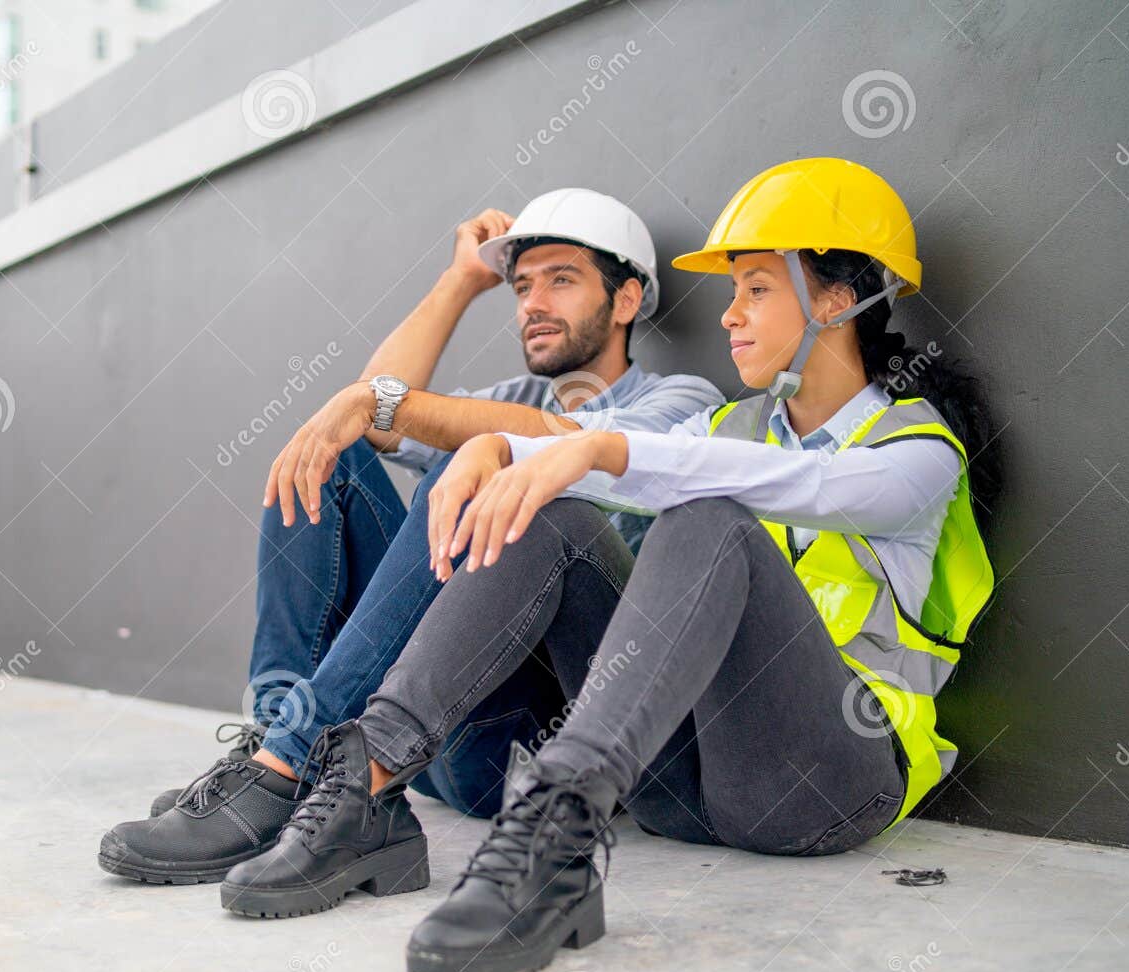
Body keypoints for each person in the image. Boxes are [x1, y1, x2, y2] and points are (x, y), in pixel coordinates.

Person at [218, 157, 997, 972]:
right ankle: (366, 782)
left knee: (709, 513)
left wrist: (589, 445)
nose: (729, 314)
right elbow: (598, 468)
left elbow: (802, 485)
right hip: (680, 783)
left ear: (838, 299)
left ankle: (557, 829)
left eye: (759, 289)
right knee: (546, 508)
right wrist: (502, 451)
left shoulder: (917, 452)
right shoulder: (728, 422)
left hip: (827, 782)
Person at [99, 189, 722, 885]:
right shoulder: (512, 396)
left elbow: (573, 444)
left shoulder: (684, 403)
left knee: (476, 458)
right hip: (424, 730)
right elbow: (371, 411)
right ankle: (282, 750)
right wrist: (459, 282)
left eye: (562, 280)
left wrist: (413, 416)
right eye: (521, 286)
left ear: (628, 300)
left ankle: (286, 764)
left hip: (525, 735)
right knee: (329, 454)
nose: (533, 304)